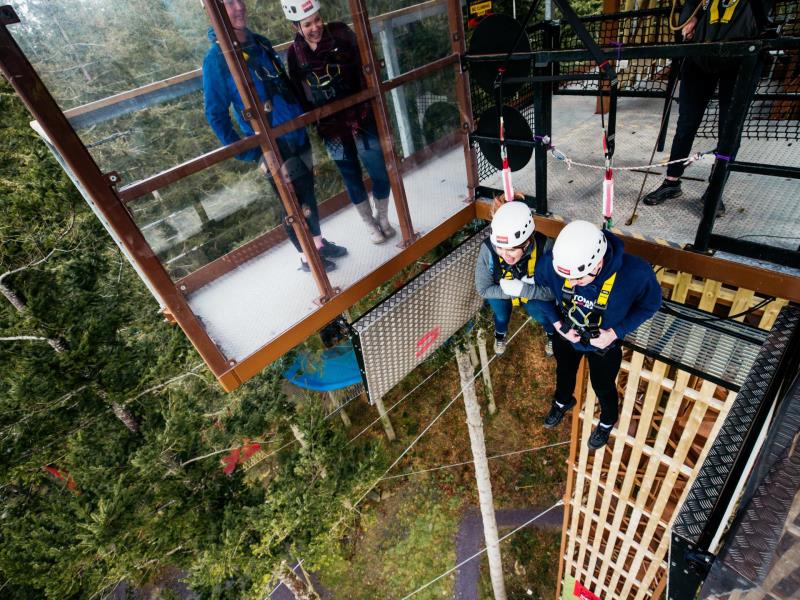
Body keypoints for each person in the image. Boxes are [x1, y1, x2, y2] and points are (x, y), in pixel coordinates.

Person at [202, 0, 347, 272]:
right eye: (228, 3)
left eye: (239, 0)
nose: (239, 7)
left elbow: (283, 85)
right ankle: (308, 258)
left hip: (295, 132)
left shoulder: (260, 44)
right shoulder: (217, 60)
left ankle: (317, 243)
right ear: (213, 12)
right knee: (292, 203)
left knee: (307, 194)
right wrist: (253, 153)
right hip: (271, 144)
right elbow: (216, 114)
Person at [537, 220, 662, 450]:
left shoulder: (635, 274)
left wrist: (615, 333)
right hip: (567, 334)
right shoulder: (553, 265)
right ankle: (562, 401)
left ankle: (607, 420)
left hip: (604, 344)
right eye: (568, 279)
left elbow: (650, 305)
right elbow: (539, 292)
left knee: (602, 385)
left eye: (579, 279)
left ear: (597, 264)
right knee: (564, 371)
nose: (572, 284)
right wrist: (557, 324)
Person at [282, 0, 396, 245]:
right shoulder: (295, 55)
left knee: (379, 171)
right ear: (296, 27)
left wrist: (370, 100)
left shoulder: (341, 33)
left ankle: (383, 217)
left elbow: (365, 66)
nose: (315, 27)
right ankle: (369, 223)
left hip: (361, 117)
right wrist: (312, 120)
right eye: (308, 24)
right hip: (331, 128)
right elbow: (300, 93)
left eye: (317, 20)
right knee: (351, 176)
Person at [642, 0, 771, 215]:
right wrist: (688, 18)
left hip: (742, 57)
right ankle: (672, 182)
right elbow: (689, 8)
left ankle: (715, 189)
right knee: (686, 124)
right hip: (701, 55)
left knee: (729, 130)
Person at [474, 199, 556, 358]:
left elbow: (554, 292)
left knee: (541, 315)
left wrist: (524, 290)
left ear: (527, 242)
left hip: (533, 290)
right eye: (500, 248)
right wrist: (512, 292)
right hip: (499, 289)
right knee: (501, 315)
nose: (505, 255)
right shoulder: (488, 250)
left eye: (511, 250)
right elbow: (483, 288)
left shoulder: (545, 247)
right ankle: (500, 334)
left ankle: (552, 335)